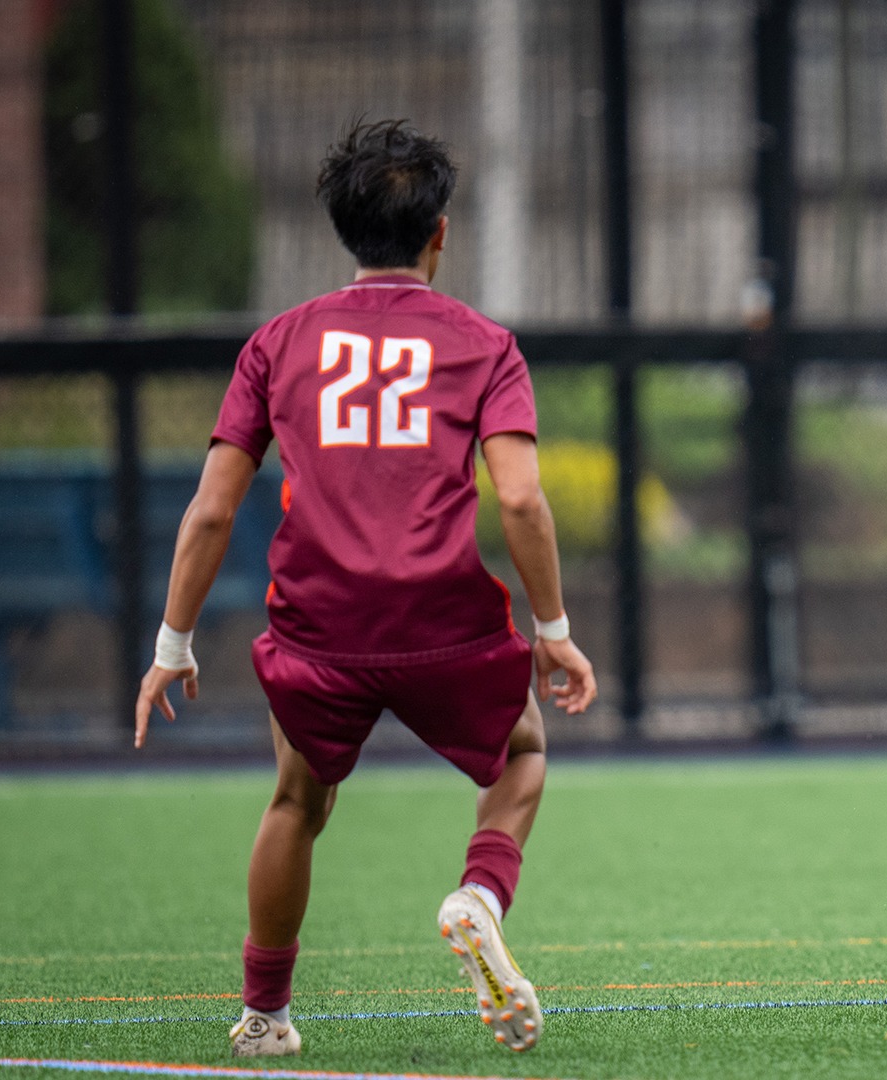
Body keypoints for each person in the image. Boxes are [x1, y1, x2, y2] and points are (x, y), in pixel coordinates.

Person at [133, 118, 596, 1056]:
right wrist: (552, 627)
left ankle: (264, 1016)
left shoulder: (277, 343)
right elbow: (521, 499)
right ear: (442, 232)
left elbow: (212, 512)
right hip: (442, 618)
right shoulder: (484, 345)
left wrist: (171, 645)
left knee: (297, 804)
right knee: (523, 757)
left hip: (318, 623)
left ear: (342, 231)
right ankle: (477, 896)